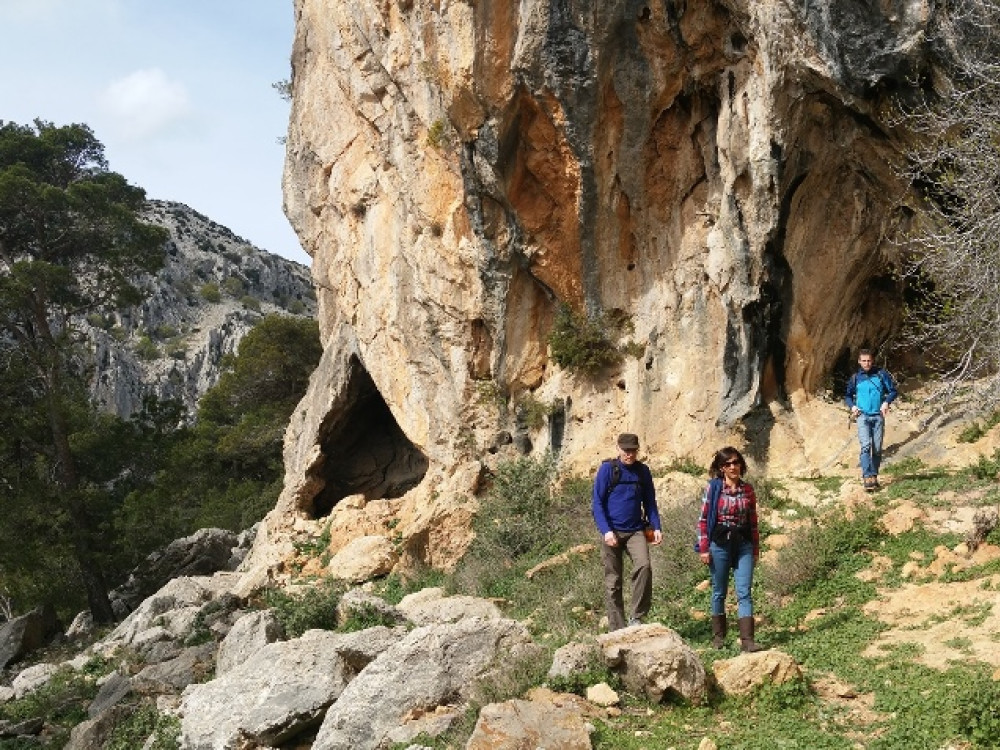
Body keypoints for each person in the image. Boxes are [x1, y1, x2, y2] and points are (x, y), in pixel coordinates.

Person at [592, 433, 663, 630]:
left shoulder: (643, 472)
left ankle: (637, 617)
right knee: (613, 582)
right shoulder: (608, 469)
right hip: (612, 530)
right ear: (618, 449)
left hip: (635, 530)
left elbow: (650, 502)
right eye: (625, 450)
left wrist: (656, 526)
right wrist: (606, 531)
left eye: (632, 450)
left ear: (637, 450)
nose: (629, 454)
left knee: (644, 566)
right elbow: (597, 503)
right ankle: (617, 626)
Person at [695, 446, 762, 652]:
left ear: (741, 464)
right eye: (727, 464)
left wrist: (756, 549)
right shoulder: (714, 488)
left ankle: (747, 641)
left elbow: (753, 522)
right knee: (719, 592)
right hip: (720, 544)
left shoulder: (748, 489)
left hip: (743, 544)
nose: (733, 467)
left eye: (735, 462)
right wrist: (704, 549)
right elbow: (704, 520)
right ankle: (718, 637)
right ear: (721, 468)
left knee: (744, 592)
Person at [845, 348, 897, 491]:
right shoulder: (855, 378)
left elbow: (893, 391)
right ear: (859, 361)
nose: (867, 363)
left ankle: (874, 475)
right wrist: (853, 407)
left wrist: (886, 402)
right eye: (864, 361)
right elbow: (848, 396)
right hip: (862, 416)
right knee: (866, 446)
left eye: (869, 361)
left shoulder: (881, 375)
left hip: (878, 416)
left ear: (872, 361)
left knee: (877, 448)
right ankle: (867, 476)